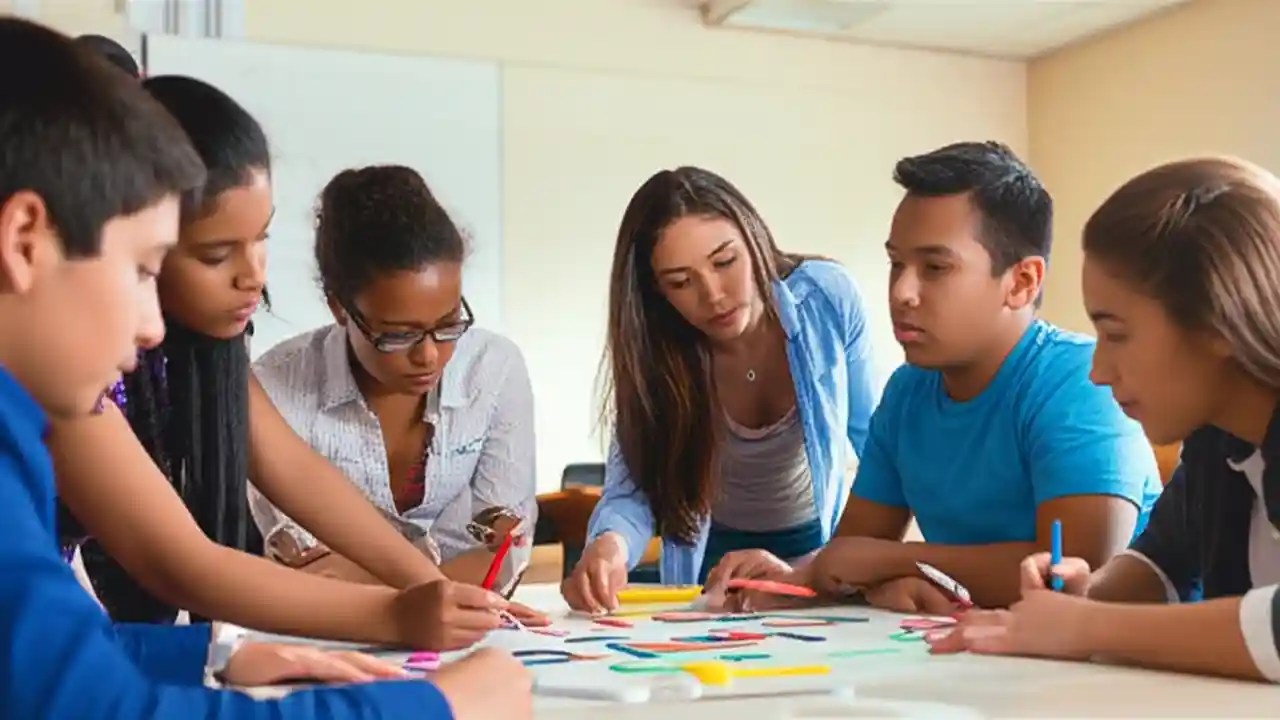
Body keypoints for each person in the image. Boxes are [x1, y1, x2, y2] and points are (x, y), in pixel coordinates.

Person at [0, 16, 530, 719]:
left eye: (263, 240)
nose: (151, 321)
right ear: (26, 239)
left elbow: (48, 666)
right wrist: (434, 704)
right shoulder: (55, 399)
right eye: (143, 269)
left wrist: (215, 654)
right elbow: (101, 696)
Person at [709, 142, 1162, 611]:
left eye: (936, 268)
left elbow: (1071, 568)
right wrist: (794, 580)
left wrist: (895, 563)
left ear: (1022, 282)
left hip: (1131, 667)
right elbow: (849, 558)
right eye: (896, 264)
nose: (902, 292)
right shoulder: (907, 392)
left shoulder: (1080, 380)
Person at [928, 156, 1280, 684]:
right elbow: (1161, 561)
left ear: (1218, 319)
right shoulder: (1218, 440)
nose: (1096, 371)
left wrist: (1090, 627)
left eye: (1116, 333)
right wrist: (1086, 595)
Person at [561, 166, 881, 613]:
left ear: (753, 240)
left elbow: (878, 447)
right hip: (708, 567)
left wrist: (835, 564)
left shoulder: (827, 298)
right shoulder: (655, 350)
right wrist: (609, 547)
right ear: (658, 295)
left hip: (815, 551)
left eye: (725, 261)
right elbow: (631, 492)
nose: (713, 295)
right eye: (680, 282)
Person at [251, 164, 537, 592]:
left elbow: (502, 545)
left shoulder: (492, 370)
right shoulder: (276, 386)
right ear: (340, 308)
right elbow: (312, 572)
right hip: (333, 636)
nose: (428, 355)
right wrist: (442, 588)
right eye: (398, 335)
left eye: (448, 323)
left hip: (471, 628)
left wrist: (378, 582)